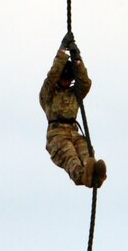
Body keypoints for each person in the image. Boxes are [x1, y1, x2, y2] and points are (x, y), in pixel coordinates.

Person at [40, 33, 106, 188]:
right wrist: (62, 50)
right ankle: (84, 177)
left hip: (74, 132)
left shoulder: (74, 93)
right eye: (64, 78)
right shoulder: (48, 94)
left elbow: (85, 83)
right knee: (71, 158)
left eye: (69, 79)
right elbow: (52, 76)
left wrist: (78, 59)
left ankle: (95, 176)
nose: (66, 81)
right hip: (57, 136)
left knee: (87, 154)